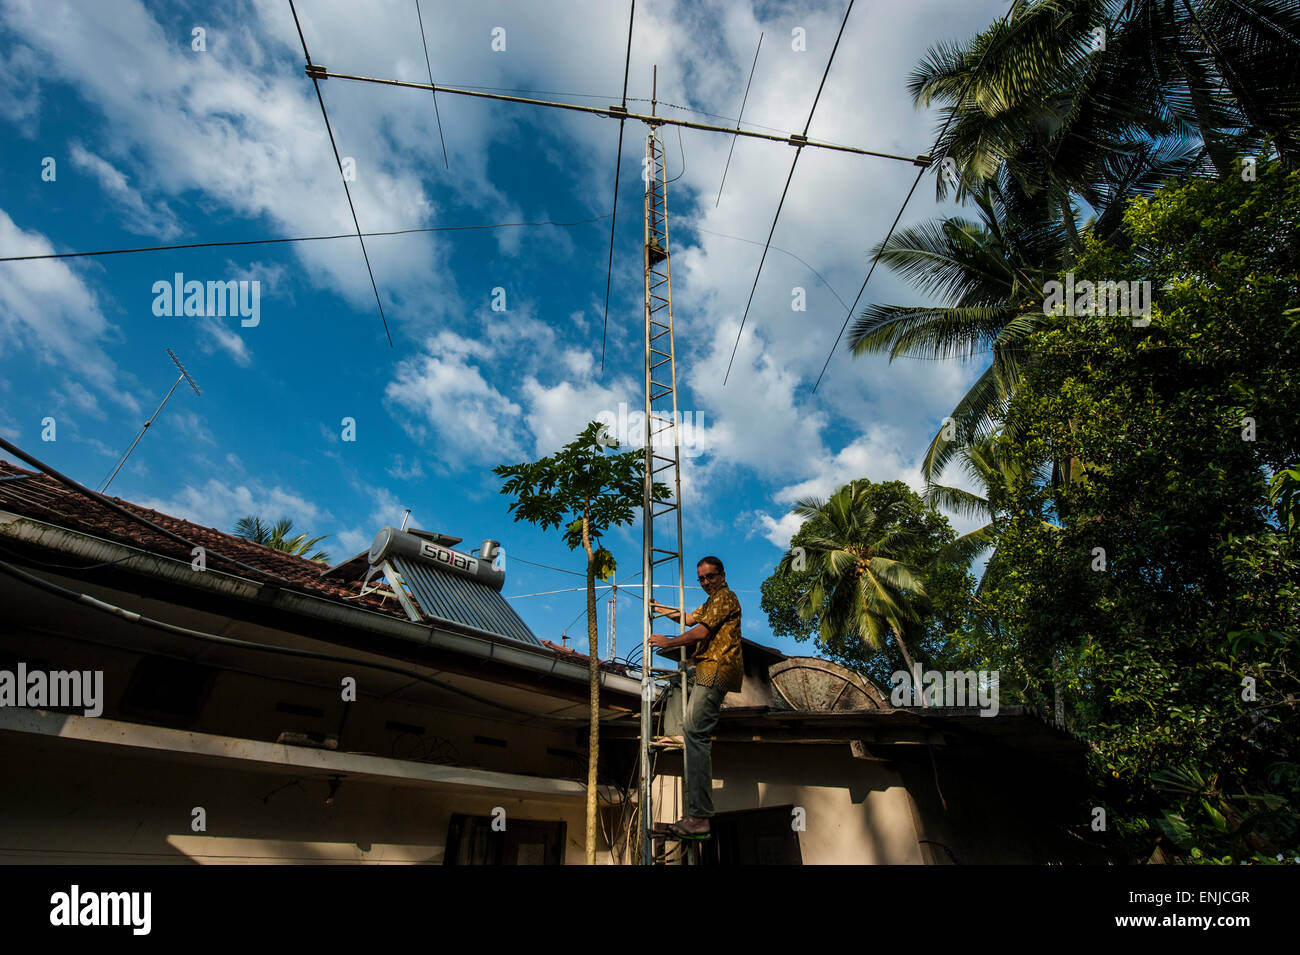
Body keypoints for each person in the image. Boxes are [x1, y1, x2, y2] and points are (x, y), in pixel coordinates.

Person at [649, 556, 743, 839]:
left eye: (710, 577)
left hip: (717, 667)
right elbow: (688, 618)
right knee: (679, 679)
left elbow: (700, 631)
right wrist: (658, 607)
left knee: (696, 734)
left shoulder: (725, 597)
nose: (705, 582)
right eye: (701, 579)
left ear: (722, 575)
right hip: (704, 667)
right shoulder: (712, 599)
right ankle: (678, 733)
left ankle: (700, 816)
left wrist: (668, 641)